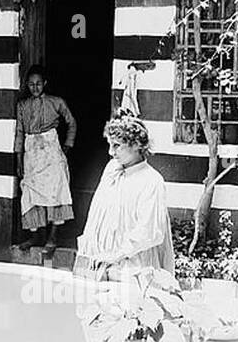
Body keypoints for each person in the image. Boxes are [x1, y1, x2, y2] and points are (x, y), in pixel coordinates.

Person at [73, 114, 175, 280]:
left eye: (117, 146)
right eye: (110, 145)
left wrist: (116, 255)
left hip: (132, 267)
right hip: (100, 261)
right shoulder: (112, 169)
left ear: (136, 145)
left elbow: (150, 232)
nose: (111, 152)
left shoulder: (151, 180)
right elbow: (96, 213)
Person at [15, 65, 76, 253]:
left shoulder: (56, 102)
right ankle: (35, 236)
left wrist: (67, 146)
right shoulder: (22, 106)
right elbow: (19, 133)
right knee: (30, 194)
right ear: (27, 85)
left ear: (45, 84)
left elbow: (71, 123)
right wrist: (19, 160)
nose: (35, 88)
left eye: (38, 84)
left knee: (56, 192)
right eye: (31, 84)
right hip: (31, 152)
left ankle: (52, 238)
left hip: (51, 151)